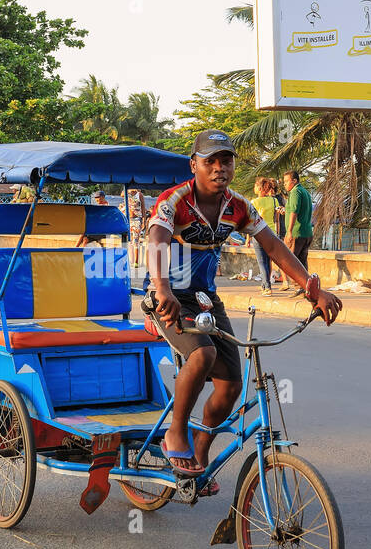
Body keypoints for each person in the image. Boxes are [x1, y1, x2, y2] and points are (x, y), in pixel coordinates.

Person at [144, 130, 341, 482]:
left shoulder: (239, 207)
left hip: (206, 299)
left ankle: (200, 448)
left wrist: (312, 289)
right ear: (194, 166)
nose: (220, 168)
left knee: (232, 384)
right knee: (201, 356)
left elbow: (275, 247)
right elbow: (156, 239)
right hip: (171, 297)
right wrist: (161, 288)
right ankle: (175, 432)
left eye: (226, 160)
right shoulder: (174, 201)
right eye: (210, 161)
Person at [282, 169, 314, 294]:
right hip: (306, 232)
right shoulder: (304, 191)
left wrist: (289, 231)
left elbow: (294, 211)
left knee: (290, 261)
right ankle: (306, 287)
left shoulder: (295, 192)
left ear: (294, 181)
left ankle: (299, 286)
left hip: (297, 232)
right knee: (302, 262)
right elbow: (295, 210)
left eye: (286, 181)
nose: (284, 184)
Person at [249, 177, 282, 295]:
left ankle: (267, 287)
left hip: (259, 233)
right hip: (272, 232)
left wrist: (248, 239)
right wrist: (277, 234)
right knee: (268, 260)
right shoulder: (274, 201)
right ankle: (264, 284)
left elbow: (251, 222)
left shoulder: (254, 202)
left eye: (255, 185)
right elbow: (276, 220)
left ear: (259, 188)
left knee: (261, 261)